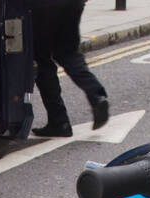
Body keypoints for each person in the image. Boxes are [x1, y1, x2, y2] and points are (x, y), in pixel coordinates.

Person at [29, 0, 109, 137]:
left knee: (42, 62)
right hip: (73, 3)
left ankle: (60, 122)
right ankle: (97, 95)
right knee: (68, 53)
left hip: (44, 6)